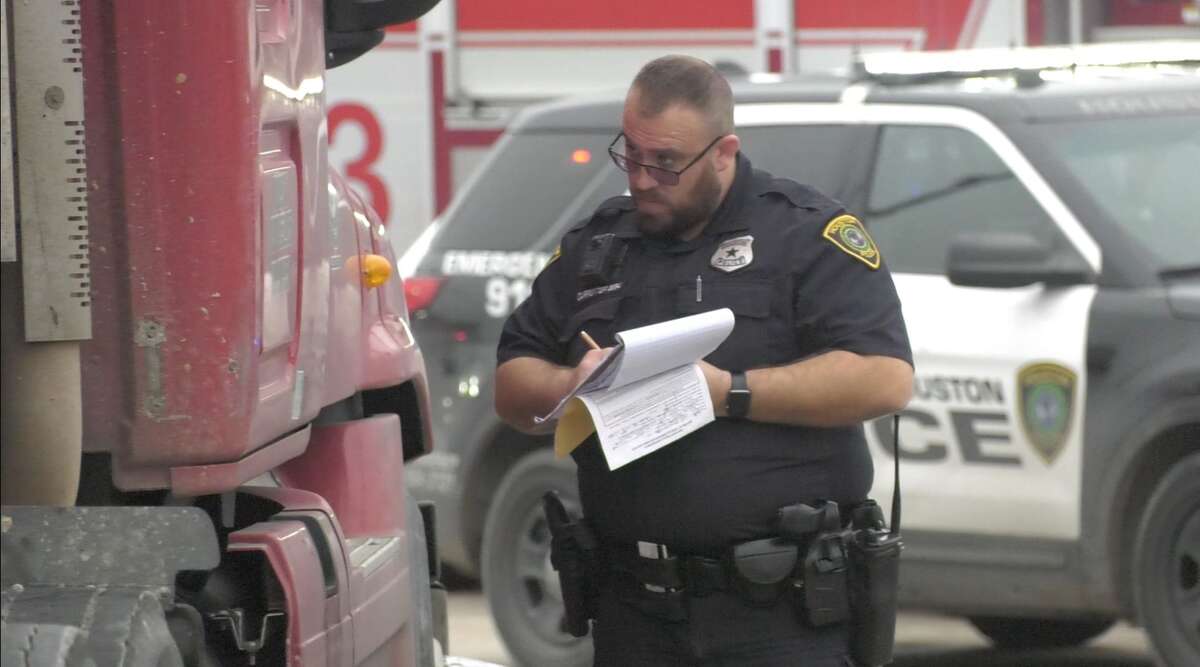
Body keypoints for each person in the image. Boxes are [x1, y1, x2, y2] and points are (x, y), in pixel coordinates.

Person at [495, 55, 913, 666]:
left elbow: (886, 378)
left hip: (778, 611)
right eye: (630, 153)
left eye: (665, 162)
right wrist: (570, 382)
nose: (641, 178)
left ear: (724, 152)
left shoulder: (805, 234)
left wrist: (727, 392)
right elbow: (510, 384)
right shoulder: (599, 245)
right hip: (633, 610)